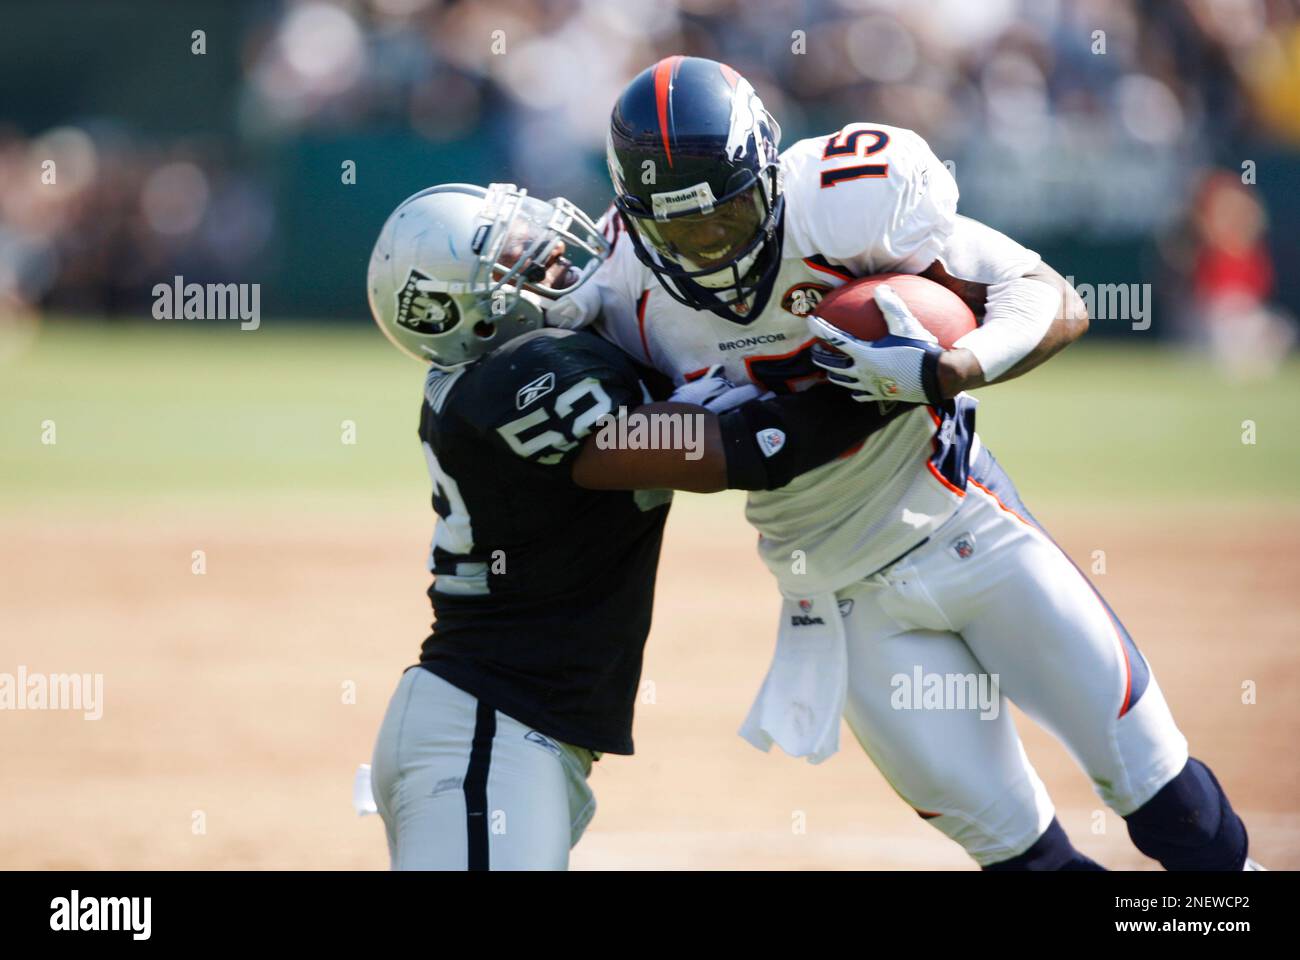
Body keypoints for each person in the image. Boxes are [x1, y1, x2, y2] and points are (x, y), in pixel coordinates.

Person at [558, 56, 1261, 870]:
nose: (710, 247)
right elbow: (584, 436)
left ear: (770, 172)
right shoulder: (611, 282)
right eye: (681, 231)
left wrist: (945, 370)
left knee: (1166, 798)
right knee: (1023, 859)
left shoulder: (847, 201)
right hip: (840, 596)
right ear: (633, 219)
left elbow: (1047, 294)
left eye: (727, 214)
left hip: (969, 529)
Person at [366, 181, 903, 869]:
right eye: (519, 255)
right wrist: (889, 389)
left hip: (502, 728)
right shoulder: (524, 376)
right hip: (487, 729)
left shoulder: (509, 372)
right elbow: (731, 452)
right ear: (465, 311)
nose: (554, 249)